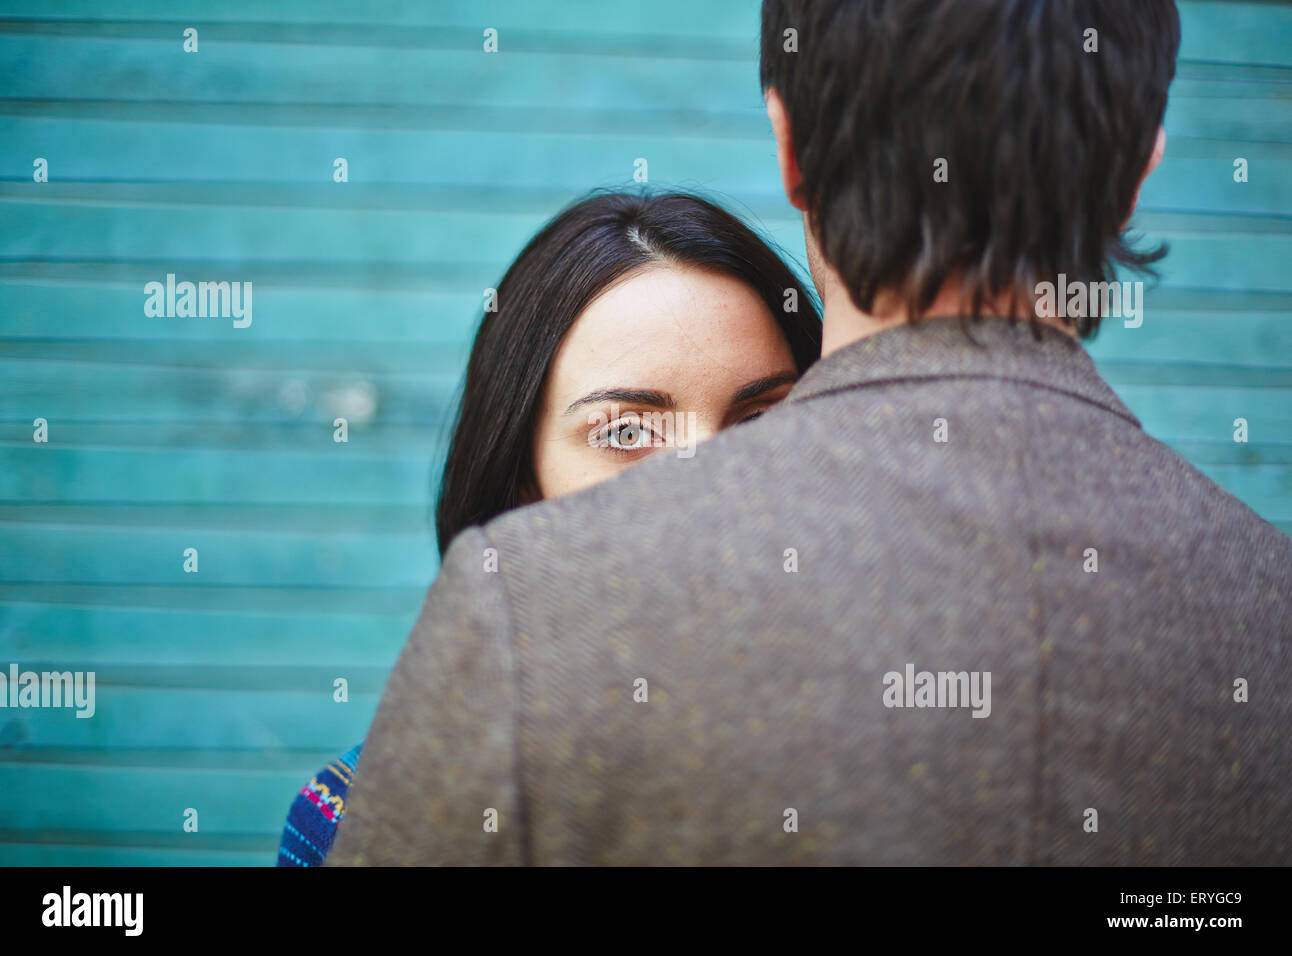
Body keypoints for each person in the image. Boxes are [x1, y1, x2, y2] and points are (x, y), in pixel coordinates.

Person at [328, 0, 1292, 866]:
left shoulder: (530, 618)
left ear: (788, 146)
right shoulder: (1267, 617)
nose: (697, 468)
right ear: (1138, 172)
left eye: (758, 412)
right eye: (627, 427)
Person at [277, 190, 822, 865]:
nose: (708, 486)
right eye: (626, 430)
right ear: (521, 479)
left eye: (761, 421)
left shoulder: (893, 766)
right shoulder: (357, 814)